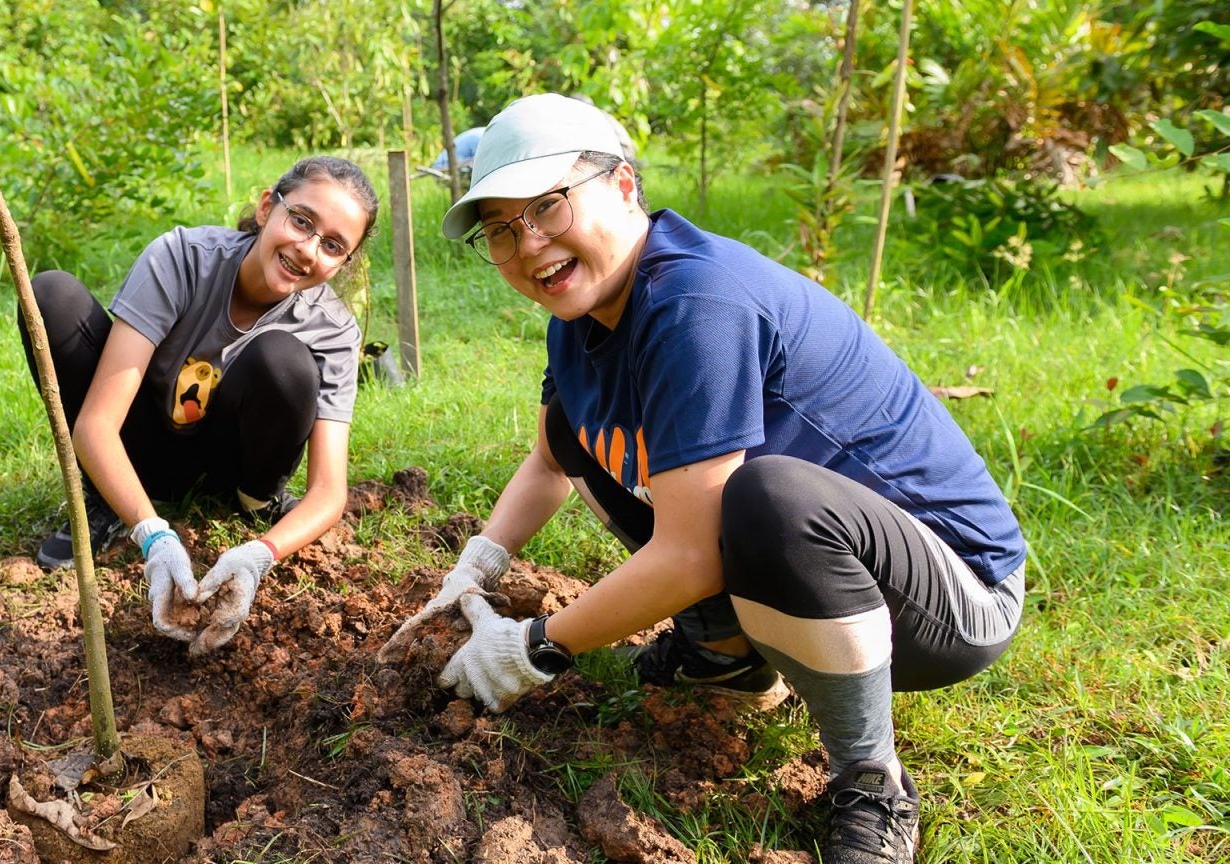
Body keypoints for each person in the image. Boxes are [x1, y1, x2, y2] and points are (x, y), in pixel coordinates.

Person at [386, 94, 1025, 864]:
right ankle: (727, 658)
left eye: (548, 206)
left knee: (769, 498)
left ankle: (870, 779)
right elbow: (553, 459)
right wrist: (478, 564)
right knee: (574, 427)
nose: (529, 244)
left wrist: (535, 646)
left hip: (948, 602)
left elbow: (690, 555)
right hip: (826, 575)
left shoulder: (697, 302)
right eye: (500, 229)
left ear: (624, 186)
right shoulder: (579, 322)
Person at [19, 156, 379, 649]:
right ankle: (109, 498)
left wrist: (260, 554)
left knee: (284, 359)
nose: (307, 249)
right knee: (52, 296)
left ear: (344, 263)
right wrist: (153, 536)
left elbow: (328, 491)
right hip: (139, 444)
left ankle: (257, 504)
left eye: (333, 245)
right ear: (267, 207)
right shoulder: (183, 258)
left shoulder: (332, 328)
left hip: (232, 468)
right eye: (301, 221)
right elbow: (96, 424)